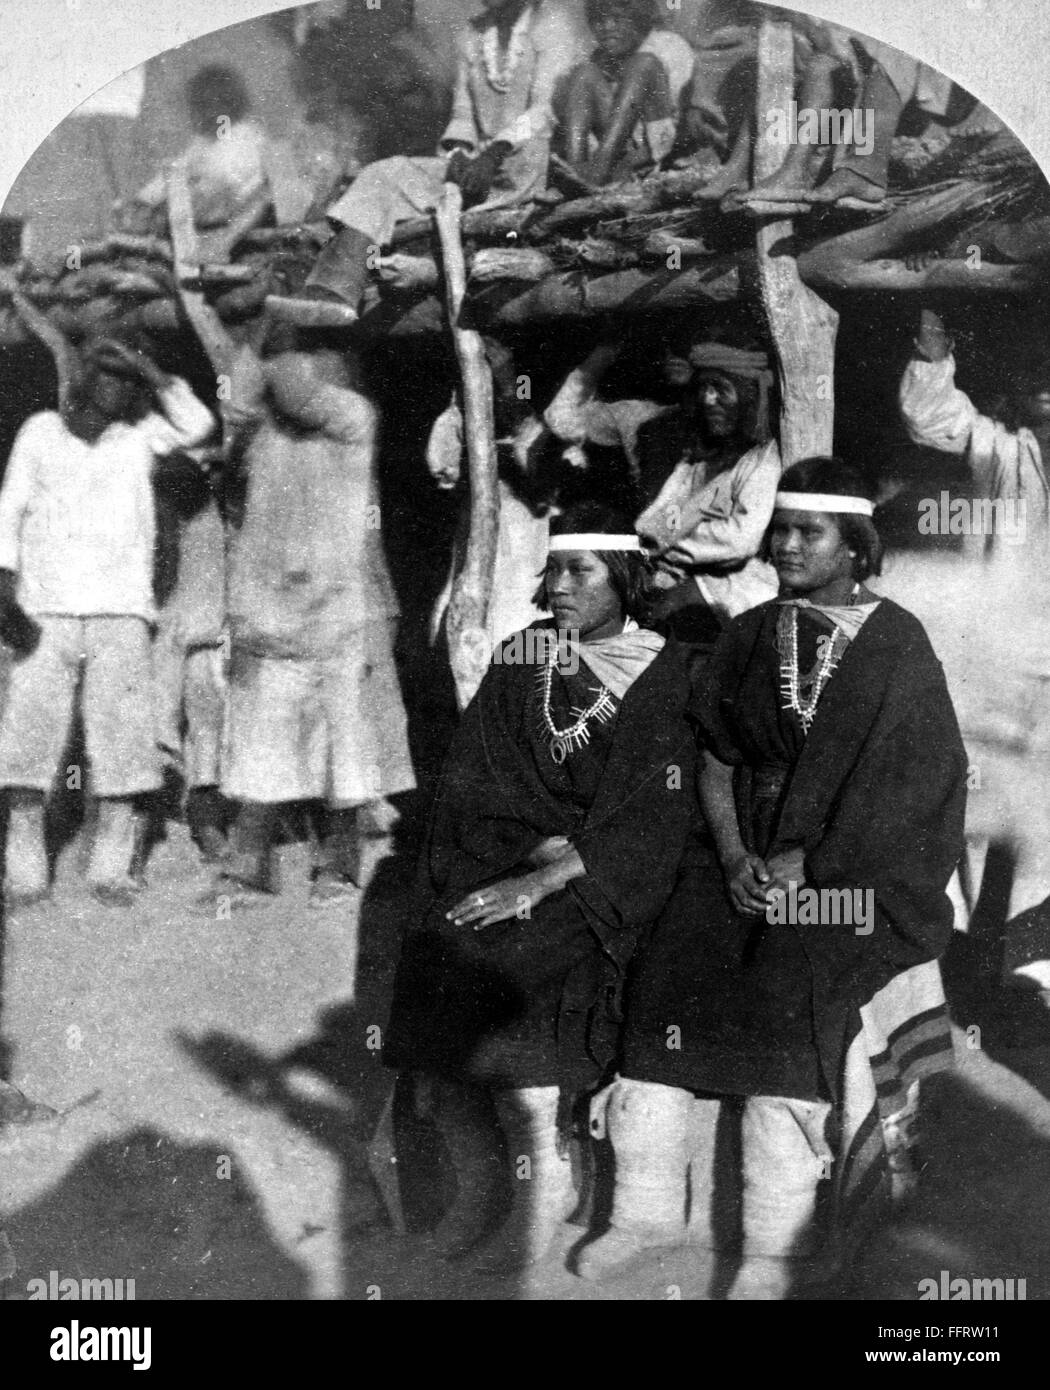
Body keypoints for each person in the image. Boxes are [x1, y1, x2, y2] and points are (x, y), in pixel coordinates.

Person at [575, 458, 967, 1297]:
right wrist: (731, 857)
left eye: (807, 531)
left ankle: (773, 1248)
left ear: (856, 547)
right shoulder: (749, 634)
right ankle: (643, 1216)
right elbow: (715, 758)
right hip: (739, 853)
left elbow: (917, 786)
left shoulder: (898, 643)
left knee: (794, 1006)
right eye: (778, 528)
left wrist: (812, 864)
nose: (785, 544)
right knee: (663, 981)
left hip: (854, 868)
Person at [383, 503, 698, 1274]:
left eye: (579, 571)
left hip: (614, 880)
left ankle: (542, 1184)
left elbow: (664, 806)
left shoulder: (667, 670)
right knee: (439, 950)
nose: (558, 586)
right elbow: (471, 780)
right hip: (514, 858)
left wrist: (557, 872)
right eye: (552, 570)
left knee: (519, 960)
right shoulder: (523, 656)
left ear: (623, 578)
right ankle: (485, 1183)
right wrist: (528, 848)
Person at [0, 337, 215, 906]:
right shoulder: (40, 432)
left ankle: (111, 869)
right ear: (80, 378)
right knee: (29, 737)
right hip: (45, 610)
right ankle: (24, 869)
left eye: (128, 379)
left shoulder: (140, 438)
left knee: (121, 740)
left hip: (121, 610)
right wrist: (5, 591)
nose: (116, 386)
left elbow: (197, 424)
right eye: (106, 373)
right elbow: (8, 509)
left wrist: (152, 369)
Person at [214, 343, 415, 908]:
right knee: (258, 751)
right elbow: (242, 399)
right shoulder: (262, 438)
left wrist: (273, 331)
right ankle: (247, 868)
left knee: (344, 756)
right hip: (269, 618)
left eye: (322, 378)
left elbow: (293, 391)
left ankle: (339, 869)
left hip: (336, 618)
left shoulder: (354, 426)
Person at [266, 0, 587, 327]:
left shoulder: (550, 25)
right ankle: (335, 295)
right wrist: (459, 151)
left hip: (530, 165)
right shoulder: (472, 34)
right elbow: (462, 114)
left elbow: (544, 111)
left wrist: (495, 152)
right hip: (478, 169)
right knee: (381, 174)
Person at [544, 334, 780, 645]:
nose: (708, 399)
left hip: (722, 589)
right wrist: (602, 354)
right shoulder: (647, 423)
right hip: (661, 574)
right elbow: (561, 419)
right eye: (702, 387)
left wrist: (660, 550)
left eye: (720, 389)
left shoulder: (756, 458)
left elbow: (739, 539)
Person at [118, 66, 270, 234]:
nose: (205, 114)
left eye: (212, 105)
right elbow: (176, 170)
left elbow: (223, 180)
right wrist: (144, 198)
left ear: (231, 104)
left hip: (236, 222)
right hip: (208, 214)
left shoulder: (245, 136)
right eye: (199, 106)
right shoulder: (205, 141)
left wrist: (185, 190)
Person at [559, 0, 695, 188]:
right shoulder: (600, 58)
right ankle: (574, 174)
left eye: (617, 19)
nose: (607, 28)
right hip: (618, 155)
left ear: (638, 19)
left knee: (643, 63)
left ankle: (596, 172)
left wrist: (630, 163)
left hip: (661, 152)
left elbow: (680, 127)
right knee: (583, 73)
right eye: (599, 21)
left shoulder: (669, 46)